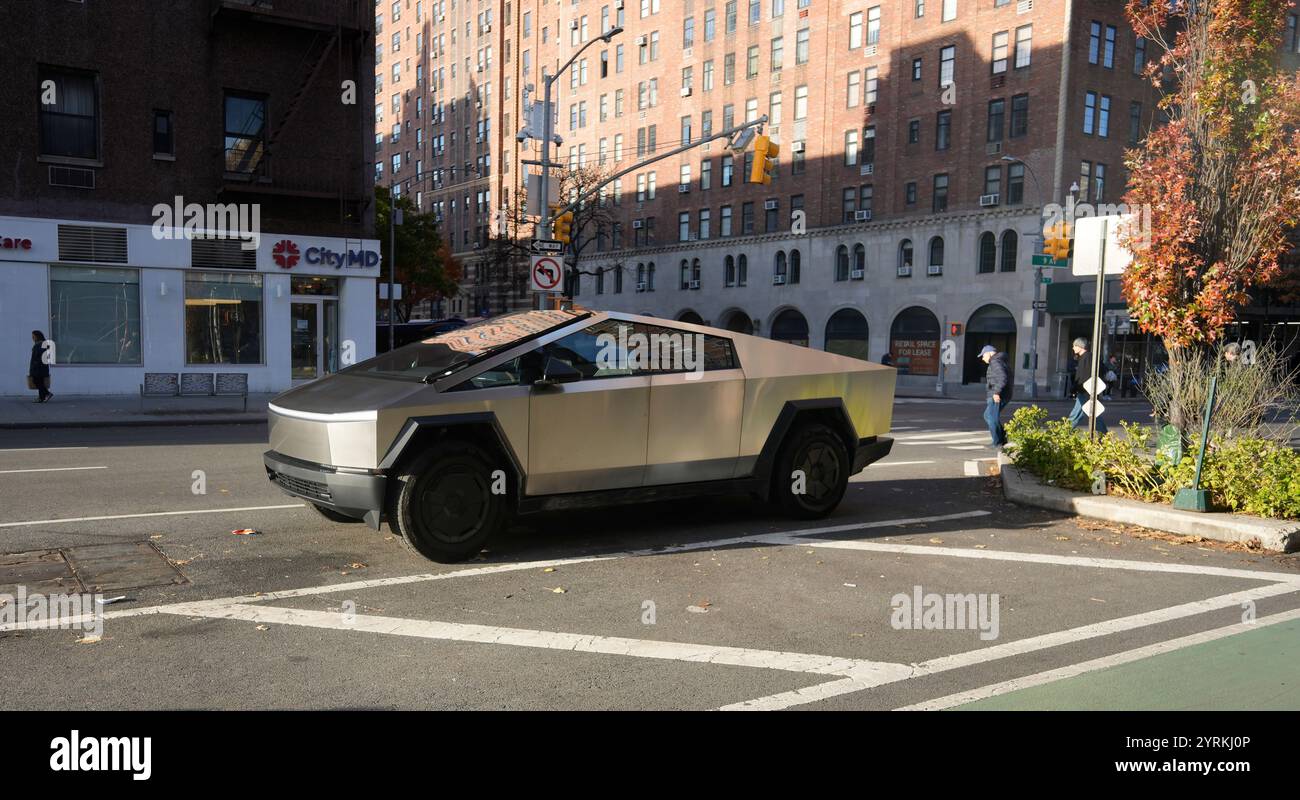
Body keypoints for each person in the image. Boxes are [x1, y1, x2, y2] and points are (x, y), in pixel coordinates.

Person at [1067, 337, 1107, 434]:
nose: (1073, 348)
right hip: (1087, 390)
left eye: (1075, 346)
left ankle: (1064, 433)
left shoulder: (1086, 358)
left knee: (1078, 415)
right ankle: (1104, 434)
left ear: (1080, 346)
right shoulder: (1088, 357)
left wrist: (1074, 388)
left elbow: (1082, 376)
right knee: (1093, 414)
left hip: (1085, 391)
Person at [980, 345, 1012, 447]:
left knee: (991, 416)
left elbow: (1003, 378)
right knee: (988, 415)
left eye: (983, 355)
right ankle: (1002, 438)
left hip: (997, 395)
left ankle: (997, 441)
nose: (982, 358)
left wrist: (996, 393)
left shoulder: (995, 362)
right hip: (999, 393)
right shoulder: (999, 361)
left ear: (989, 353)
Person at [28, 330, 52, 403]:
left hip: (38, 368)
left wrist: (32, 369)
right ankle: (41, 397)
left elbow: (36, 358)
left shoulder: (38, 345)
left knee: (36, 381)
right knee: (40, 382)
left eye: (33, 336)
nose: (32, 338)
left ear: (37, 336)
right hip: (43, 367)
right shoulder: (44, 344)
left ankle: (47, 394)